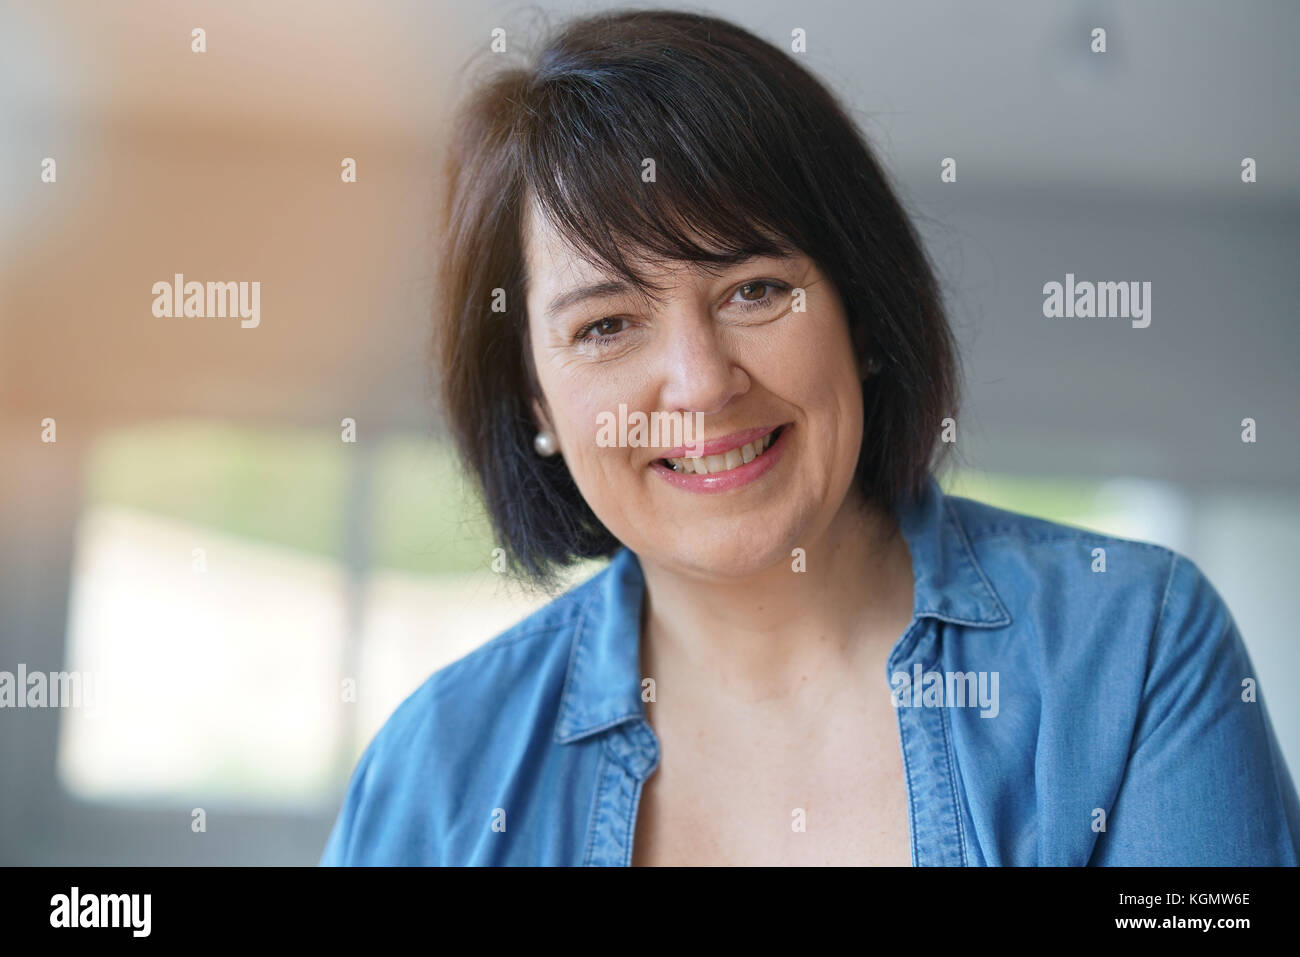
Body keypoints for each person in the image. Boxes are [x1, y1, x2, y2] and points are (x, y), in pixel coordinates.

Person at [320, 8, 1299, 866]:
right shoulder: (436, 774)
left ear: (860, 316)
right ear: (534, 399)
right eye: (605, 325)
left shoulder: (1132, 651)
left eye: (754, 290)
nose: (701, 384)